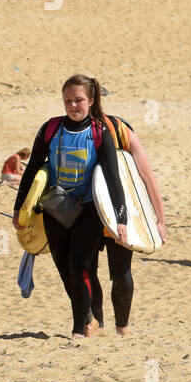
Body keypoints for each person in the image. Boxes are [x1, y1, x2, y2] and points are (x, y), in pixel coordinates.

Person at [12, 75, 127, 339]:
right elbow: (32, 170)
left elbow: (112, 175)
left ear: (91, 100)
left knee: (81, 267)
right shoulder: (51, 129)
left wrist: (121, 218)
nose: (73, 106)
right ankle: (88, 317)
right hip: (54, 208)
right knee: (65, 270)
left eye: (79, 100)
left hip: (88, 210)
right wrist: (19, 207)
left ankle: (78, 329)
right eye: (68, 100)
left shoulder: (100, 132)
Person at [89, 111, 168, 336]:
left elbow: (146, 176)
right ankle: (111, 327)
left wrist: (160, 221)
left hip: (114, 213)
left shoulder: (115, 128)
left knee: (107, 270)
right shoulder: (119, 129)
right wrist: (160, 221)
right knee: (110, 269)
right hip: (101, 212)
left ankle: (111, 326)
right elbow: (148, 177)